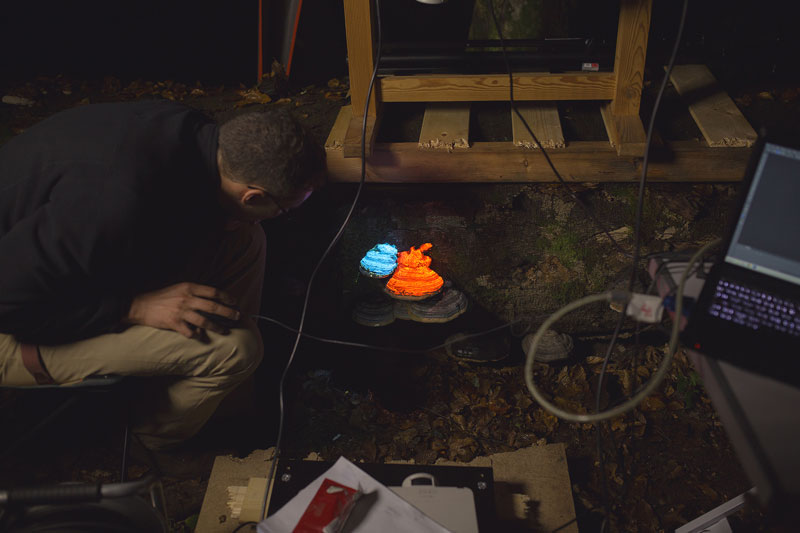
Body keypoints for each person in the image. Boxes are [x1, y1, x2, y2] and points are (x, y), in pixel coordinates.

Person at [0, 100, 325, 450]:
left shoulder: (187, 133)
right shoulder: (111, 204)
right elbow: (11, 301)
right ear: (252, 195)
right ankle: (149, 441)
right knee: (237, 349)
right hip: (16, 319)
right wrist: (133, 308)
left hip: (56, 270)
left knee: (244, 239)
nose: (281, 217)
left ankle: (223, 408)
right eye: (284, 210)